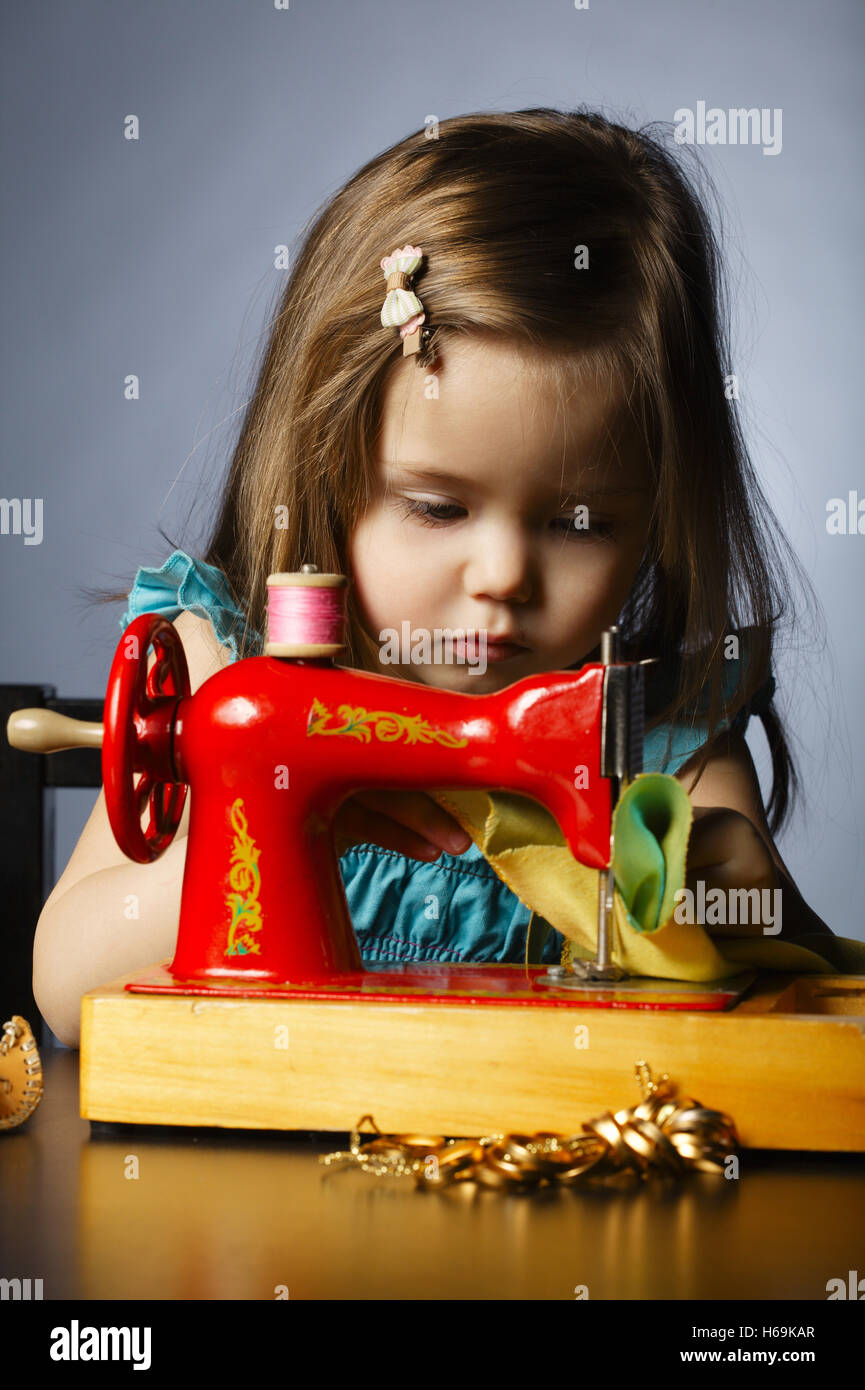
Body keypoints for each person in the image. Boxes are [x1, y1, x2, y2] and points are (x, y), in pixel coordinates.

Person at [33, 108, 832, 1049]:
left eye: (581, 523)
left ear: (658, 514)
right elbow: (66, 993)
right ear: (327, 474)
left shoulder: (659, 741)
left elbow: (750, 926)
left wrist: (716, 878)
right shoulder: (219, 678)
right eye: (439, 509)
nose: (501, 576)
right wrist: (274, 830)